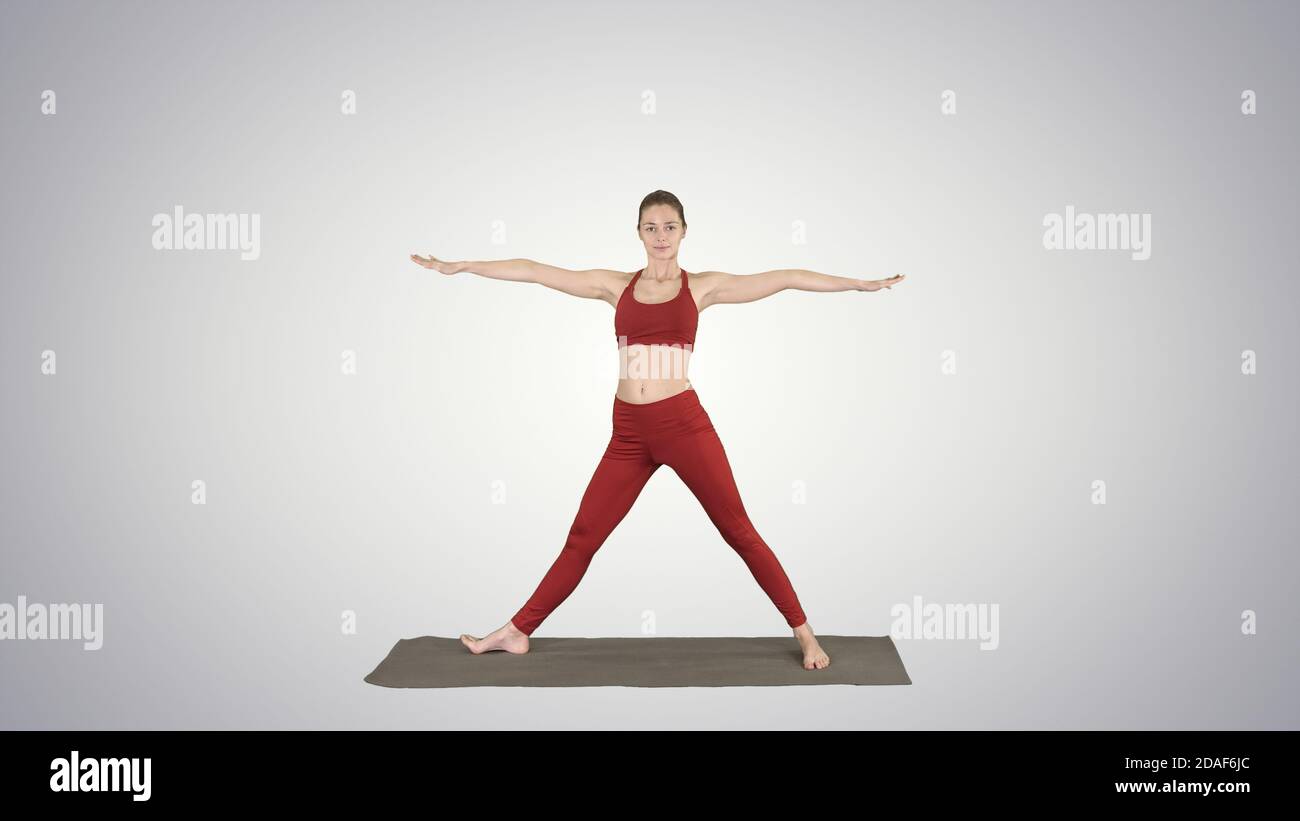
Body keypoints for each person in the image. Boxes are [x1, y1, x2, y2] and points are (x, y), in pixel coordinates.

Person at [410, 190, 904, 670]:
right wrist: (463, 266)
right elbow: (538, 271)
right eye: (651, 228)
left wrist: (857, 285)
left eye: (670, 227)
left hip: (683, 425)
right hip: (628, 433)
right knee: (583, 536)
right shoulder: (615, 285)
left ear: (684, 232)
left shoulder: (703, 286)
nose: (661, 236)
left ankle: (805, 634)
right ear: (639, 234)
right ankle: (516, 632)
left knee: (738, 530)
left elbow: (787, 277)